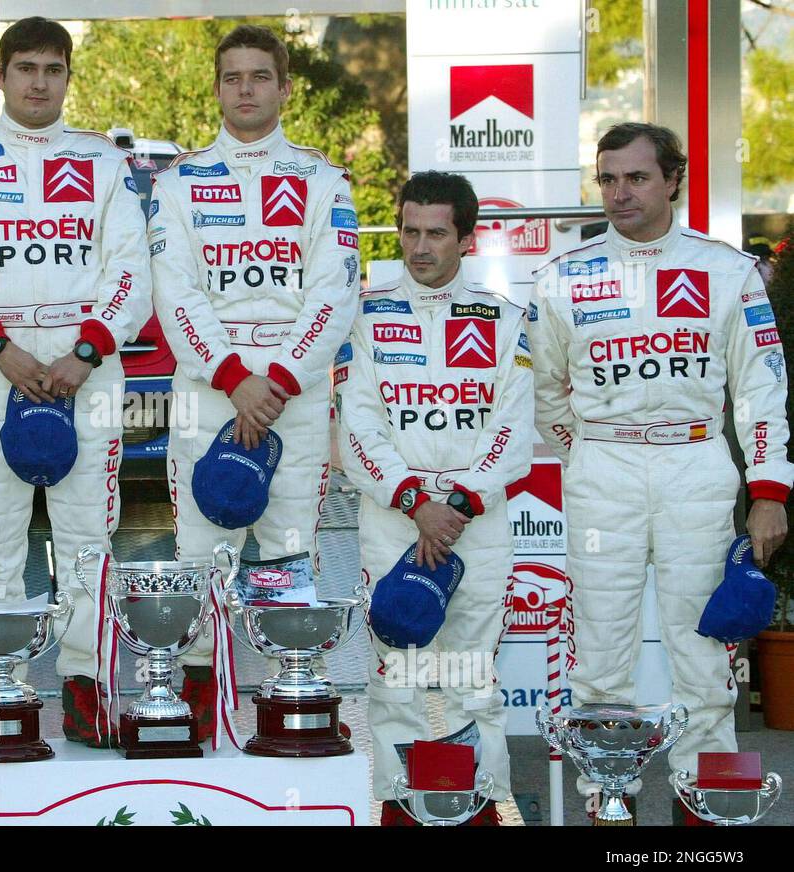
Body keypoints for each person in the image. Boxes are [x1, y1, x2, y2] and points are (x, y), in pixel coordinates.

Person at [529, 122, 792, 824]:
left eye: (636, 177)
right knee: (600, 655)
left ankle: (703, 818)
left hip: (696, 465)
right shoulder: (563, 276)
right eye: (607, 178)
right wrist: (586, 452)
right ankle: (608, 809)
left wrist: (768, 490)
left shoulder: (726, 269)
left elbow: (763, 388)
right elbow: (544, 391)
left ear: (673, 179)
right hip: (603, 469)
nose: (620, 192)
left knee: (703, 655)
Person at [0, 17, 151, 746]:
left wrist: (82, 354)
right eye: (26, 68)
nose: (39, 81)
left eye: (53, 68)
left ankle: (90, 693)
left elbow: (132, 272)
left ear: (68, 77)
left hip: (88, 374)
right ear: (1, 76)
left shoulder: (104, 161)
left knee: (89, 540)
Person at [149, 24, 359, 734]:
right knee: (199, 555)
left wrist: (274, 384)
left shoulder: (323, 181)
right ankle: (198, 710)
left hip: (292, 401)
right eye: (233, 77)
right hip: (209, 393)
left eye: (260, 76)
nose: (246, 89)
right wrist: (237, 378)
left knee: (289, 552)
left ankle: (287, 703)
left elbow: (334, 295)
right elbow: (174, 293)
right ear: (216, 89)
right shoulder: (177, 182)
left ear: (285, 87)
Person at [335, 171, 532, 826]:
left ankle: (477, 810)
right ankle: (404, 811)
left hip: (476, 523)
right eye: (410, 231)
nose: (420, 247)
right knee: (399, 677)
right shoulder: (364, 317)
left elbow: (514, 429)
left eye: (436, 234)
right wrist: (418, 502)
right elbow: (356, 427)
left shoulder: (509, 322)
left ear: (467, 239)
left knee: (474, 678)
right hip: (397, 519)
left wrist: (458, 507)